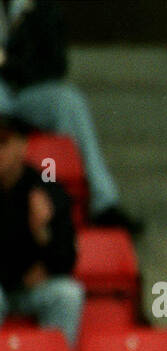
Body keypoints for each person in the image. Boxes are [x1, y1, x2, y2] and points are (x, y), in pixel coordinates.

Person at [0, 0, 141, 233]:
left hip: (29, 90)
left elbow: (55, 63)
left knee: (69, 101)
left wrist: (11, 64)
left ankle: (103, 202)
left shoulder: (42, 6)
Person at [0, 108, 81, 344]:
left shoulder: (45, 187)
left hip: (30, 290)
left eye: (3, 143)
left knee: (67, 294)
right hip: (7, 285)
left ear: (22, 147)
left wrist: (42, 232)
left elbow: (67, 259)